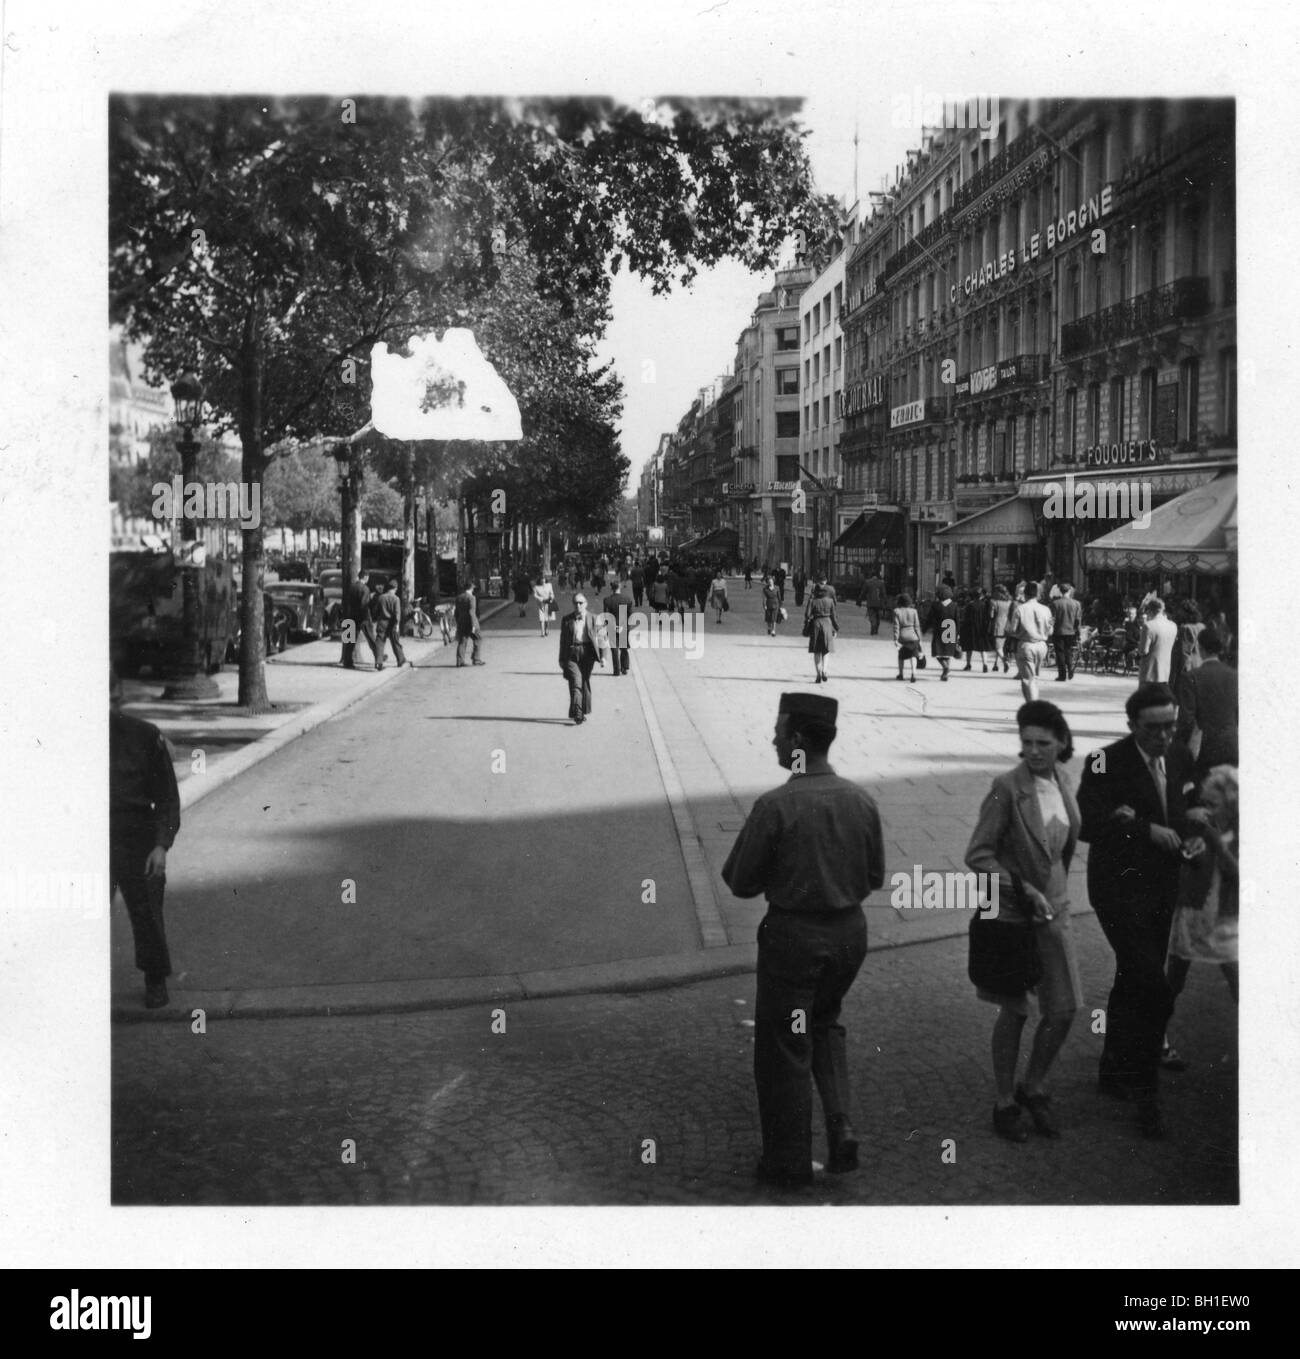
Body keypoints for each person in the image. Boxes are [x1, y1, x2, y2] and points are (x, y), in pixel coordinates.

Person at [721, 691, 886, 1187]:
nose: (771, 737)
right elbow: (875, 875)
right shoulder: (861, 799)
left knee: (785, 1043)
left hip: (795, 941)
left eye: (777, 729)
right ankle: (841, 1124)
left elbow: (740, 881)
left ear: (796, 740)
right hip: (849, 938)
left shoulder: (776, 805)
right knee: (825, 1021)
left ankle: (789, 1163)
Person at [1077, 683, 1196, 1139]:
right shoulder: (1104, 760)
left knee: (1133, 976)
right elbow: (1088, 824)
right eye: (1153, 729)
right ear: (1131, 726)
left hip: (1163, 887)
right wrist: (1145, 830)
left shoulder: (1182, 755)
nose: (1164, 737)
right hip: (1118, 890)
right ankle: (1146, 1094)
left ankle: (1113, 1071)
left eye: (1171, 725)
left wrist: (1196, 828)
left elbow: (1190, 804)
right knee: (1153, 985)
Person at [965, 701, 1083, 1140]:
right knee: (1014, 1011)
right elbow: (978, 854)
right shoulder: (1006, 788)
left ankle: (1034, 1086)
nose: (1033, 751)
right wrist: (1021, 887)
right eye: (1027, 743)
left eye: (1043, 743)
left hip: (1054, 910)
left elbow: (1062, 848)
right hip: (1013, 913)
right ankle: (1004, 1102)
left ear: (1062, 743)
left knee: (1065, 1007)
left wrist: (1050, 891)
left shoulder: (1065, 782)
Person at [110, 668, 181, 1009]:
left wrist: (160, 845)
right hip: (90, 834)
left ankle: (155, 979)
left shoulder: (143, 736)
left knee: (147, 912)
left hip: (137, 835)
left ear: (116, 695)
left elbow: (167, 797)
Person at [1164, 765, 1239, 1063]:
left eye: (1213, 805)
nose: (1206, 810)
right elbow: (1186, 858)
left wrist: (1215, 841)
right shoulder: (1202, 829)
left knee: (1239, 980)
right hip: (1194, 915)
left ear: (1231, 805)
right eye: (1204, 804)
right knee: (1173, 981)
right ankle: (1158, 1040)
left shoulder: (1241, 831)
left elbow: (1238, 872)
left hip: (1225, 919)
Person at [1176, 628, 1238, 778]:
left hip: (1203, 748)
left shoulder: (1191, 677)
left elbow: (1186, 719)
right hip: (1231, 744)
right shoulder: (1234, 676)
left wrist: (1178, 749)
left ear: (1200, 648)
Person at [558, 592, 603, 723]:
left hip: (587, 653)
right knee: (576, 682)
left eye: (581, 603)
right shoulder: (567, 619)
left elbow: (602, 638)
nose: (578, 605)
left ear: (586, 604)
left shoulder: (594, 618)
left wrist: (603, 656)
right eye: (575, 603)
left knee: (584, 681)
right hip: (571, 654)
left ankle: (582, 710)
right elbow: (563, 640)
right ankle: (578, 713)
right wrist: (561, 658)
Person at [1010, 580, 1054, 702]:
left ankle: (1033, 707)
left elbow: (1013, 630)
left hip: (1026, 645)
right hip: (1041, 646)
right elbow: (1050, 631)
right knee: (1034, 679)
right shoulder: (1046, 610)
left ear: (1025, 594)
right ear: (1038, 594)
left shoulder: (1020, 609)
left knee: (1027, 679)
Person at [340, 569, 377, 670]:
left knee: (349, 641)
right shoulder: (365, 589)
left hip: (351, 616)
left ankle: (347, 662)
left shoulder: (351, 587)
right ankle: (379, 659)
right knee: (371, 639)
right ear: (366, 577)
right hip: (363, 618)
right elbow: (363, 604)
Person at [804, 580, 839, 684]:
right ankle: (824, 671)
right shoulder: (830, 601)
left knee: (816, 651)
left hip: (816, 624)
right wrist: (836, 628)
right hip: (827, 625)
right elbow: (834, 616)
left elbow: (807, 615)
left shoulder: (812, 601)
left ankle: (818, 673)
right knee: (826, 651)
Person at [371, 579, 410, 670]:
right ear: (395, 588)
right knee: (395, 642)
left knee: (380, 642)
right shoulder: (396, 599)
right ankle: (400, 660)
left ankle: (378, 663)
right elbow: (397, 613)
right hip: (392, 623)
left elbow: (376, 611)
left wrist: (376, 619)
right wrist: (397, 624)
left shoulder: (381, 597)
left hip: (382, 622)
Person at [1137, 598, 1177, 683]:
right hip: (1165, 672)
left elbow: (1143, 651)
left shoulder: (1148, 626)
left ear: (1149, 611)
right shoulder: (1173, 626)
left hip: (1149, 673)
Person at [927, 584, 961, 682]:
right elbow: (957, 620)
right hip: (951, 631)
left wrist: (925, 628)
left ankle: (945, 667)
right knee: (947, 653)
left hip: (939, 631)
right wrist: (958, 633)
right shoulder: (954, 605)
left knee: (937, 652)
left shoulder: (936, 605)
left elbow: (930, 618)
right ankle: (945, 674)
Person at [1051, 582, 1083, 682]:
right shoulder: (1077, 603)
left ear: (1060, 591)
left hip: (1058, 631)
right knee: (1068, 651)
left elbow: (1052, 619)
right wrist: (1078, 632)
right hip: (1071, 632)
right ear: (1069, 591)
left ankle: (1062, 675)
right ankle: (1070, 669)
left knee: (1060, 653)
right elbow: (1078, 620)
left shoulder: (1055, 603)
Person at [602, 578, 633, 676]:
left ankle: (616, 670)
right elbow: (630, 615)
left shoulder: (607, 600)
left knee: (614, 649)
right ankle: (625, 667)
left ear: (611, 588)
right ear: (619, 587)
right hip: (623, 626)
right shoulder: (627, 599)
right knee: (624, 648)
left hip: (612, 626)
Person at [893, 592, 923, 681]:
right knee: (913, 656)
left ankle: (901, 674)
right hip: (913, 637)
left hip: (903, 637)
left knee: (901, 656)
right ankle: (913, 674)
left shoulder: (897, 611)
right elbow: (917, 626)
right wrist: (920, 638)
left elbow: (896, 626)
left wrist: (895, 639)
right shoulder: (914, 611)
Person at [454, 581, 484, 667]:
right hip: (470, 622)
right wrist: (474, 625)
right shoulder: (471, 598)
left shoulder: (459, 597)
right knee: (478, 638)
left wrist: (458, 622)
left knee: (462, 641)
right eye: (473, 588)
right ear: (471, 588)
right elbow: (472, 612)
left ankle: (459, 661)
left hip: (461, 621)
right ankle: (476, 659)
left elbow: (456, 612)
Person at [989, 584, 1013, 674]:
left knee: (997, 647)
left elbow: (991, 615)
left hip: (997, 625)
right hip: (1008, 626)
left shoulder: (994, 602)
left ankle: (1005, 661)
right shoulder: (1010, 602)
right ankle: (996, 664)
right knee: (1001, 647)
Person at [857, 570, 886, 635]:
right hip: (879, 603)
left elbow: (863, 593)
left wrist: (859, 601)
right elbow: (884, 594)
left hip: (870, 603)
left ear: (871, 575)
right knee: (878, 616)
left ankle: (873, 626)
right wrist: (884, 603)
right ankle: (876, 629)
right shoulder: (881, 583)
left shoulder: (867, 582)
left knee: (872, 616)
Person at [532, 573, 556, 638]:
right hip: (541, 604)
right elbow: (534, 595)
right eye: (541, 580)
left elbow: (552, 593)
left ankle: (546, 629)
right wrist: (540, 598)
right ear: (539, 580)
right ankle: (542, 632)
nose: (543, 581)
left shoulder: (549, 585)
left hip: (548, 603)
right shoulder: (536, 587)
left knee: (547, 619)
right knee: (541, 619)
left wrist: (551, 597)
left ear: (546, 580)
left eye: (544, 579)